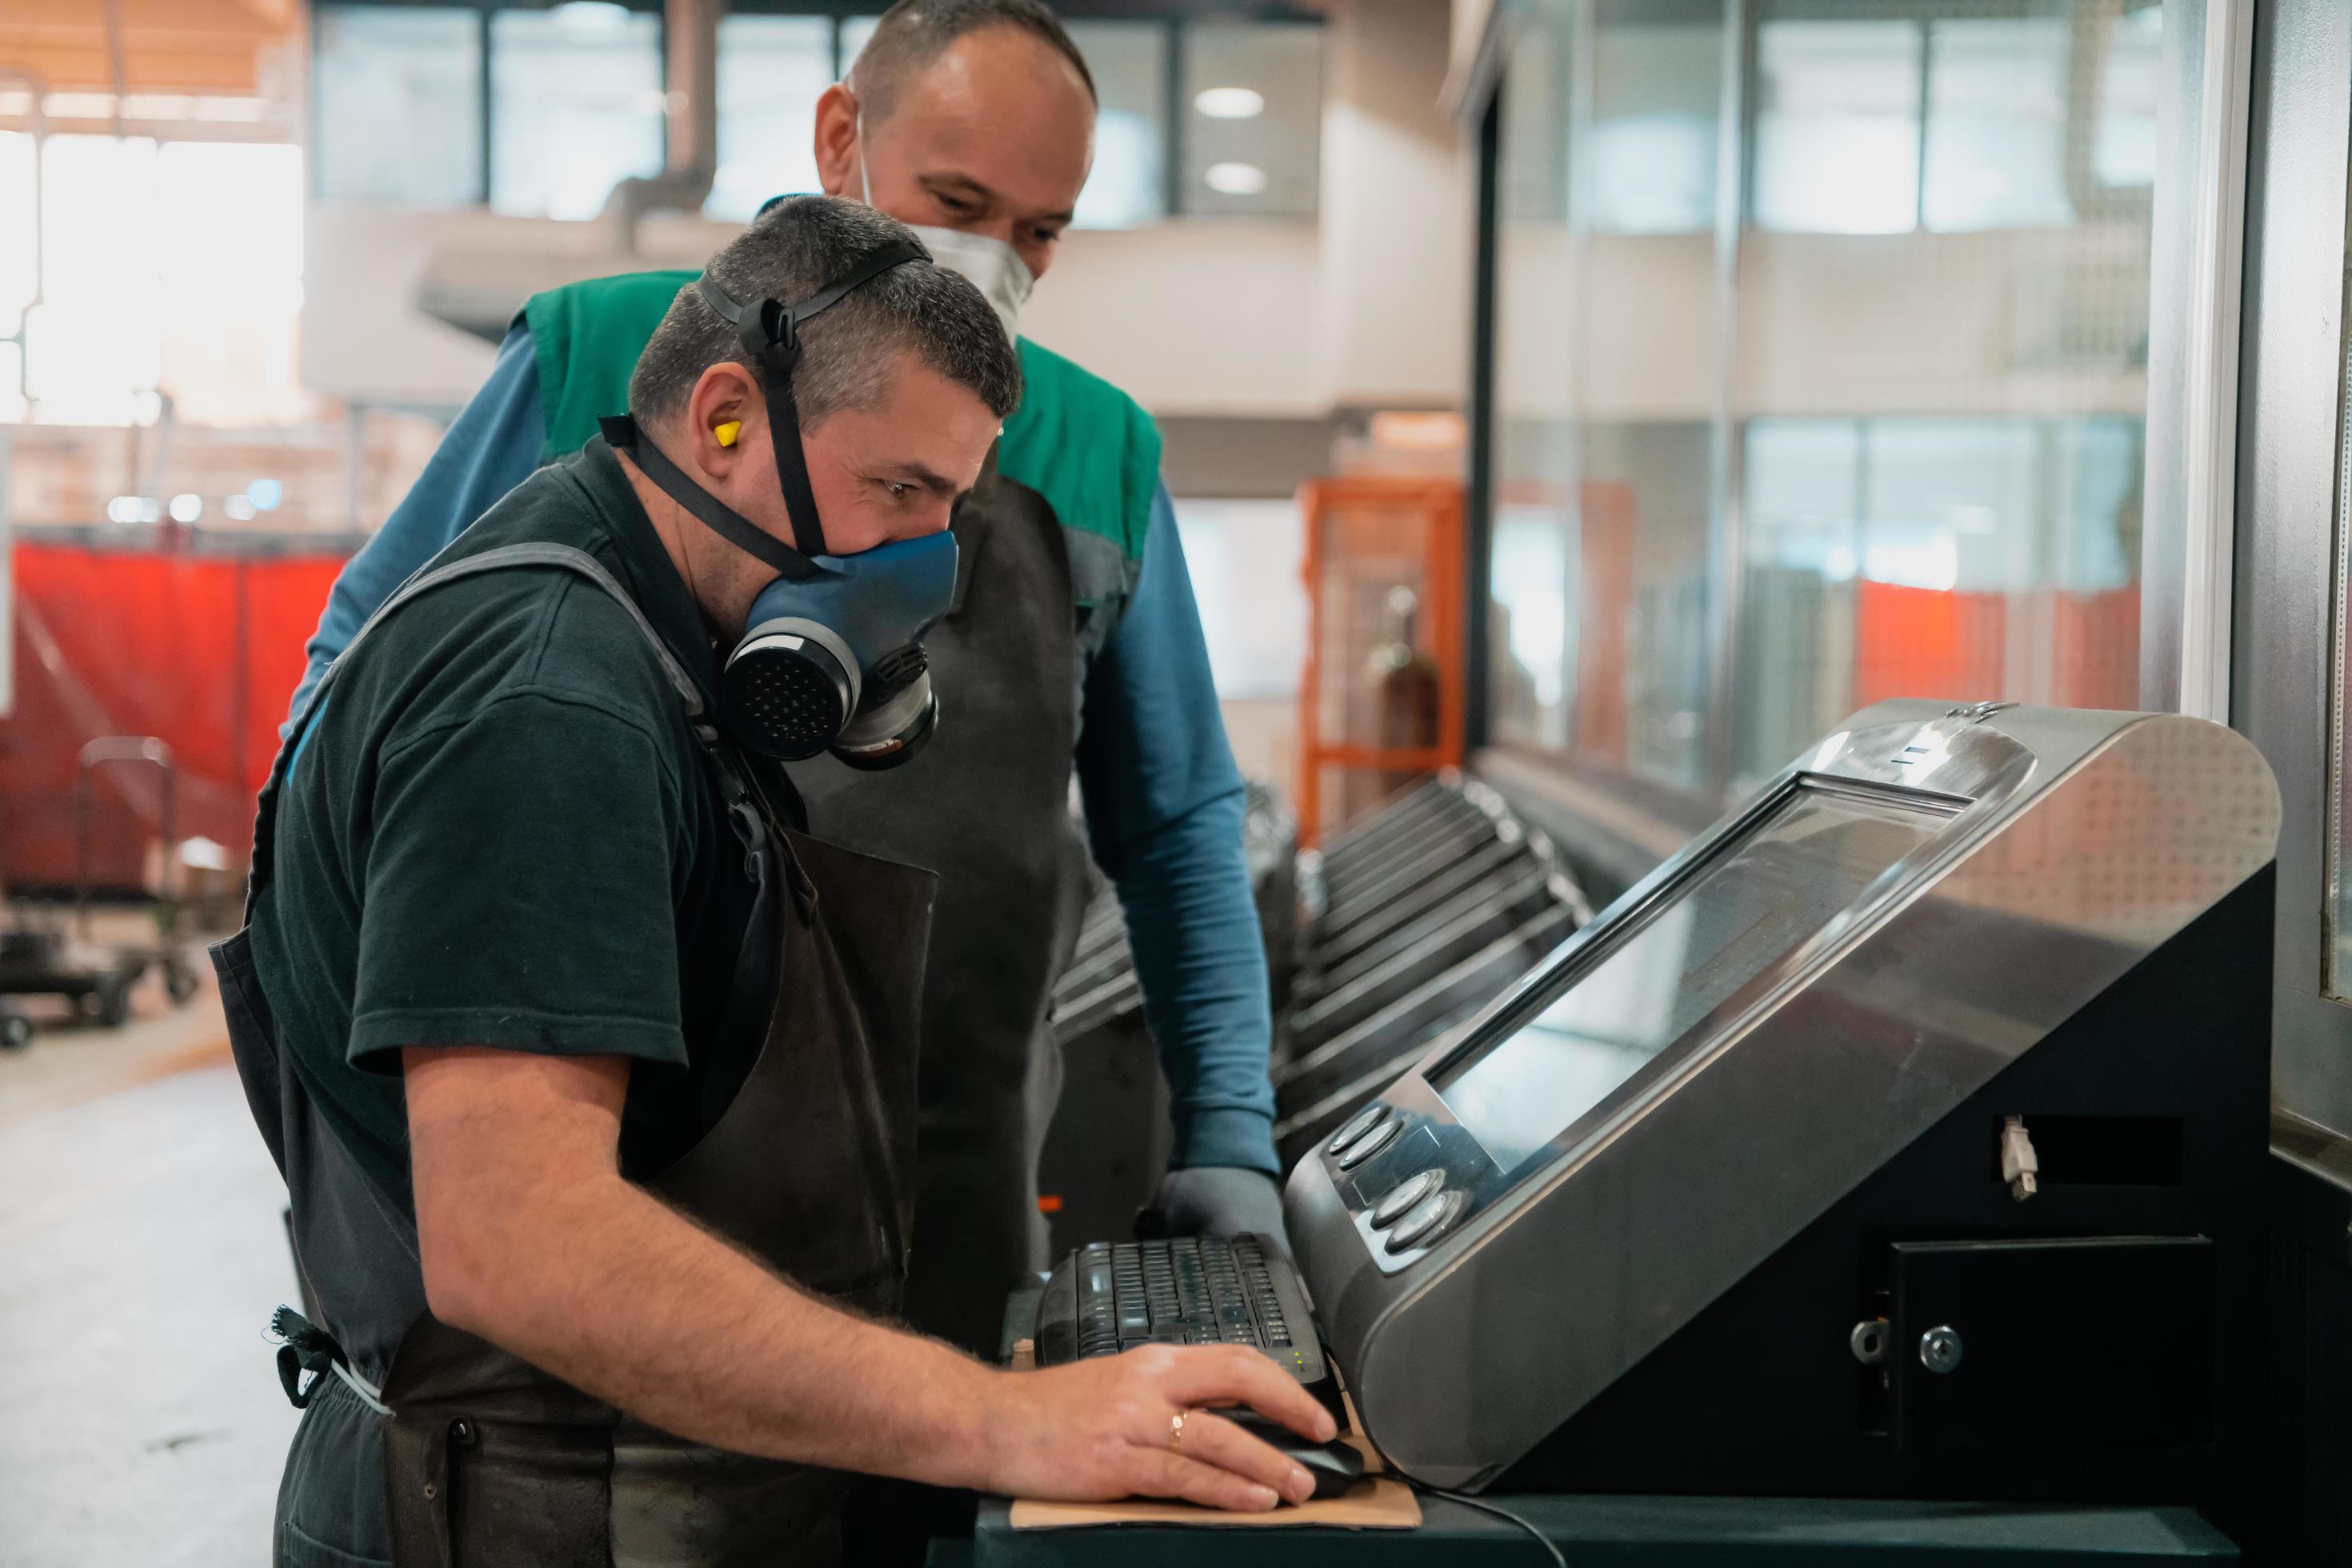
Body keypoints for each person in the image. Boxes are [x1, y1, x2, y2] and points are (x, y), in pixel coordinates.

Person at [221, 196, 1336, 1568]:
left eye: (952, 505)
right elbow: (522, 1243)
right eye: (901, 493)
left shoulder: (650, 643)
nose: (932, 563)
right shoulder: (548, 700)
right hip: (518, 1510)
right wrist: (1004, 1423)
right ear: (728, 420)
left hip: (613, 1479)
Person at [290, 0, 1286, 1366]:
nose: (990, 257)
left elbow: (1176, 825)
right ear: (840, 139)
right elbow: (359, 690)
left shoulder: (1095, 451)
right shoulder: (607, 358)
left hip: (947, 1197)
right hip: (611, 1206)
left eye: (1039, 231)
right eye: (956, 198)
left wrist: (1233, 1128)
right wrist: (380, 1074)